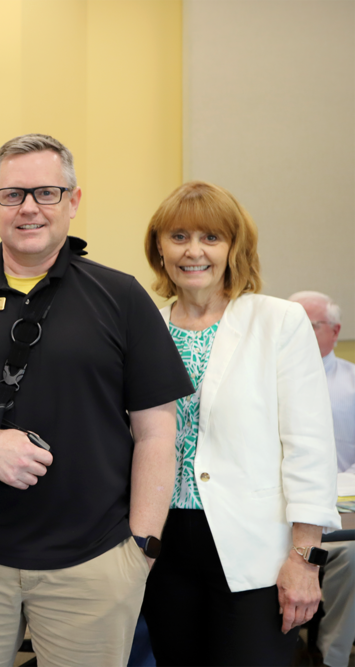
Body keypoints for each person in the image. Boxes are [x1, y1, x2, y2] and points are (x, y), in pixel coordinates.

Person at [0, 133, 193, 667]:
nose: (30, 208)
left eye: (46, 192)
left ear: (73, 201)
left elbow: (157, 433)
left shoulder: (122, 296)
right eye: (13, 194)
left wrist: (143, 548)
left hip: (93, 558)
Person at [140, 181, 341, 667]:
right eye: (179, 236)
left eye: (211, 238)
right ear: (159, 248)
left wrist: (304, 559)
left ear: (234, 248)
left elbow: (309, 445)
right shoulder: (144, 325)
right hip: (161, 546)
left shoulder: (279, 321)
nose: (194, 251)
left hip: (256, 553)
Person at [290, 290, 355, 667]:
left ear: (336, 331)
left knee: (351, 557)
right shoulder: (266, 381)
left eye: (309, 325)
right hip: (281, 516)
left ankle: (330, 657)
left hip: (339, 519)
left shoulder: (351, 383)